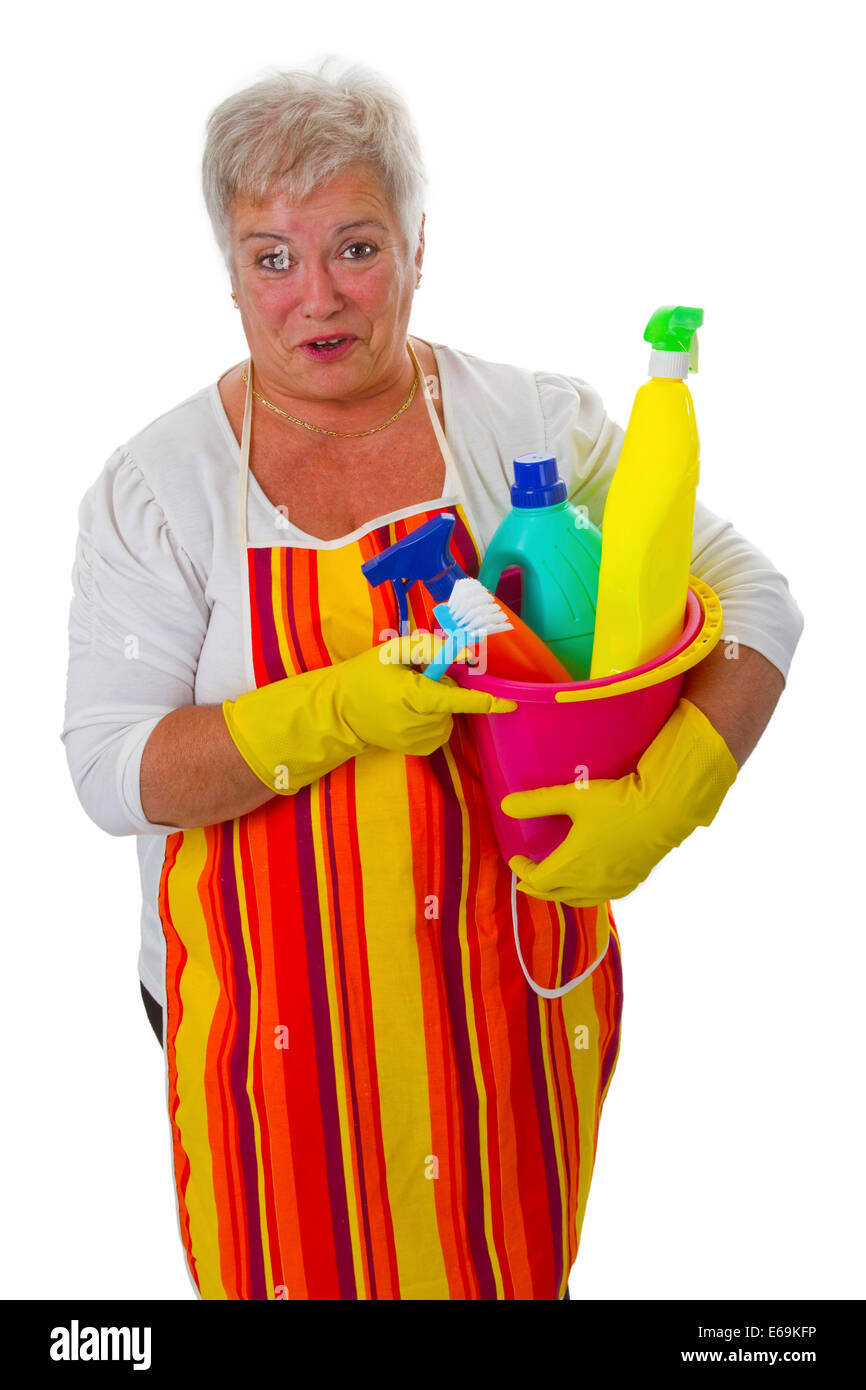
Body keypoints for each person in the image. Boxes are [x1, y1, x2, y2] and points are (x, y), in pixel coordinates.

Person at [62, 60, 804, 1302]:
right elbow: (108, 773)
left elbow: (754, 600)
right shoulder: (164, 483)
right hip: (268, 1023)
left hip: (502, 984)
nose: (316, 298)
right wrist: (338, 706)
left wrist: (674, 793)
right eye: (270, 257)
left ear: (417, 242)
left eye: (354, 245)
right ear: (228, 270)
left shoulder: (527, 424)